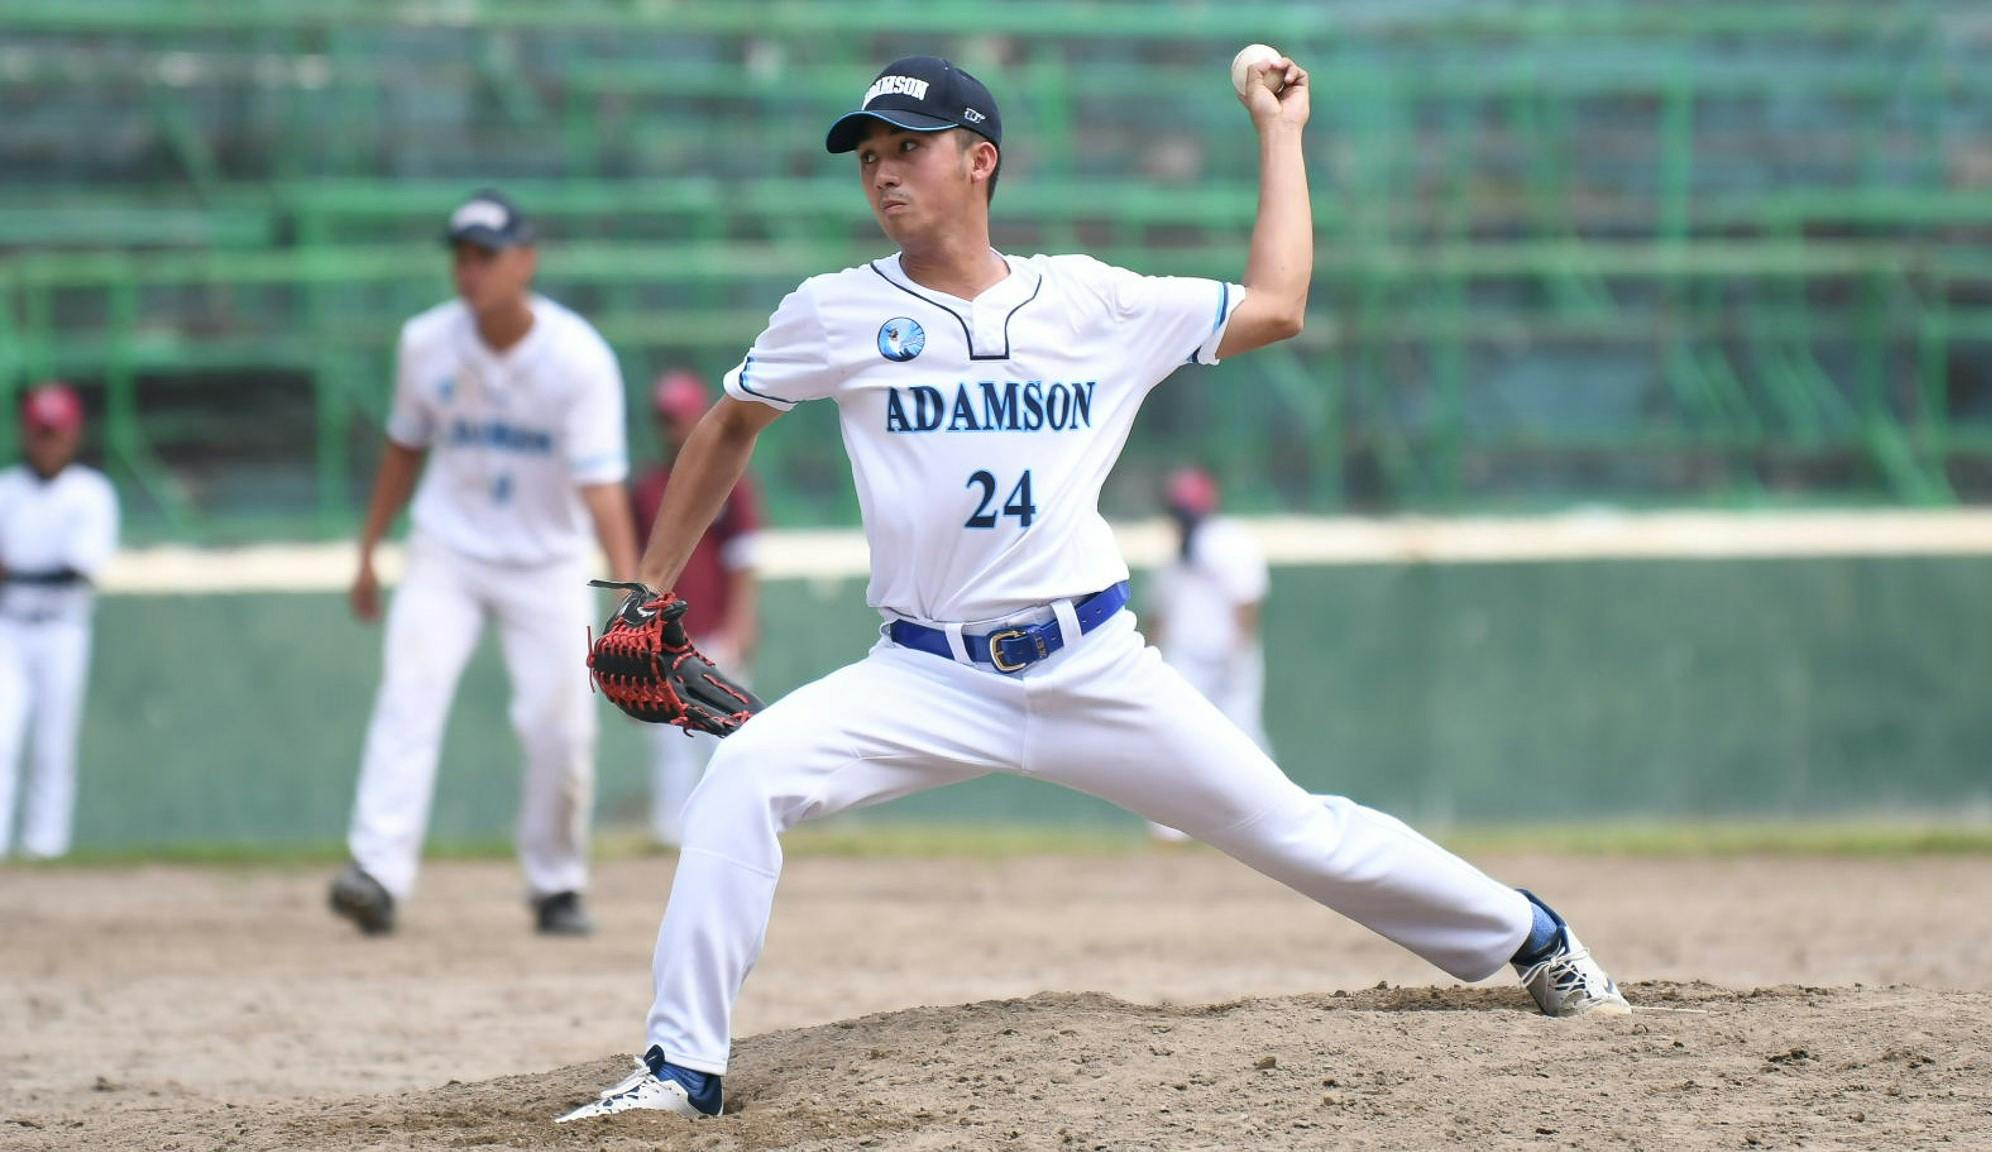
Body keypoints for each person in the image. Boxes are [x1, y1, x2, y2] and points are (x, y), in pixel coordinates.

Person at [560, 53, 1627, 1122]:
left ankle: (1532, 937)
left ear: (979, 161)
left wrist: (1278, 133)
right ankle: (679, 1071)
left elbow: (1276, 306)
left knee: (1294, 830)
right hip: (922, 674)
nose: (882, 173)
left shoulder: (1090, 300)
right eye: (869, 156)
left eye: (908, 149)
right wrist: (647, 594)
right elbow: (729, 422)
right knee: (744, 779)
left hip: (1092, 665)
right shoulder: (834, 311)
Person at [327, 191, 638, 937]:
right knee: (410, 693)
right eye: (462, 257)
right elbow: (404, 447)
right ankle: (377, 870)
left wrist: (636, 594)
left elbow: (603, 490)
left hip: (549, 560)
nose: (471, 271)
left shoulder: (578, 359)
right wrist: (369, 552)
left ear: (525, 261)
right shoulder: (426, 342)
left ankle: (556, 883)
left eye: (487, 256)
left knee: (560, 727)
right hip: (449, 548)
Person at [630, 371, 764, 846]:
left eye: (680, 418)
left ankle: (731, 831)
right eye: (664, 419)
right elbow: (630, 563)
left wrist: (741, 623)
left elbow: (743, 559)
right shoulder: (645, 487)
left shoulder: (727, 477)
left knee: (731, 736)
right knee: (670, 741)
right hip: (665, 634)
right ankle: (672, 835)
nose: (672, 429)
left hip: (714, 631)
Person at [0, 384, 119, 860]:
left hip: (62, 628)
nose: (48, 443)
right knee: (2, 737)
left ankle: (45, 849)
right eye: (40, 432)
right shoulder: (7, 488)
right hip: (8, 628)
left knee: (54, 744)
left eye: (56, 433)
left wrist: (17, 572)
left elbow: (80, 568)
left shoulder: (90, 492)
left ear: (74, 435)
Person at [1142, 466, 1269, 841]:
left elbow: (1246, 599)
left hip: (1229, 653)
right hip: (1185, 656)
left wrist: (1240, 649)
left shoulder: (1229, 540)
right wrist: (1152, 652)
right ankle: (1171, 829)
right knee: (1175, 737)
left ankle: (1263, 819)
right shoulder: (1173, 552)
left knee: (1245, 734)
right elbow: (1160, 610)